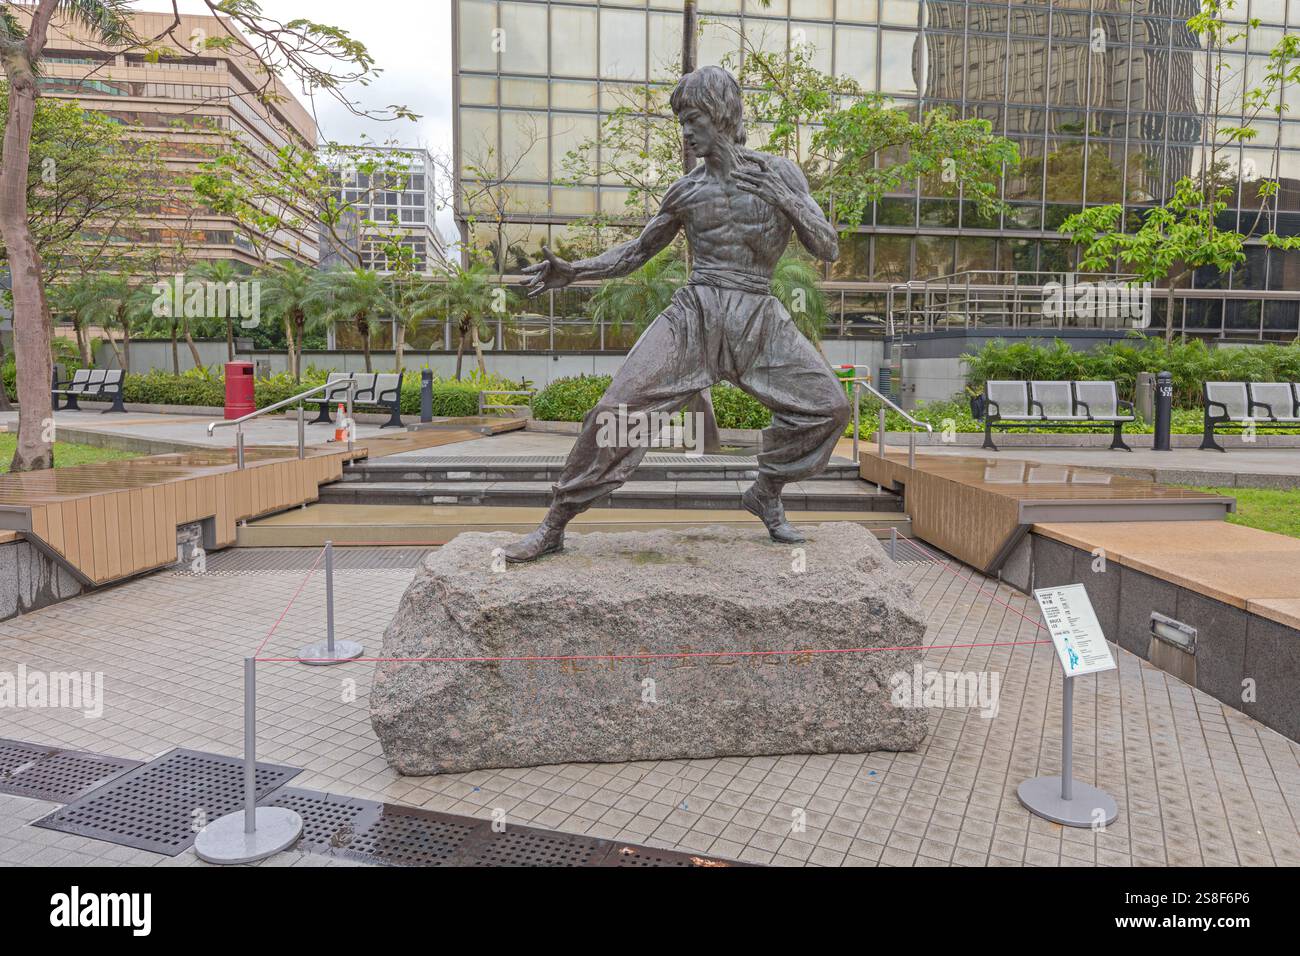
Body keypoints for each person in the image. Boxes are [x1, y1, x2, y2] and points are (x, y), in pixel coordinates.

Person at [503, 65, 850, 562]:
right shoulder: (686, 190)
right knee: (614, 416)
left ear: (722, 115)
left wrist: (785, 198)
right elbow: (635, 253)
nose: (685, 131)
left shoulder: (780, 173)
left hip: (758, 316)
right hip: (695, 314)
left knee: (829, 409)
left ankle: (766, 491)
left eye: (693, 118)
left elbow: (828, 247)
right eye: (681, 120)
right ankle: (554, 524)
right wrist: (575, 271)